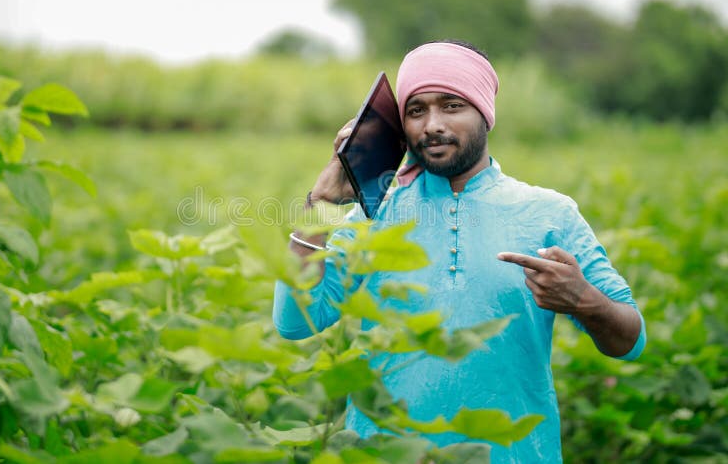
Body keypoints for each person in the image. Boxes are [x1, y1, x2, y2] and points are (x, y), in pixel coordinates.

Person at [273, 40, 646, 463]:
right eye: (416, 110)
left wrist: (583, 300)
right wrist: (319, 208)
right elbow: (294, 323)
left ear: (484, 113)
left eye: (451, 105)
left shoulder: (549, 213)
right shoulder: (373, 218)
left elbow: (629, 340)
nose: (432, 124)